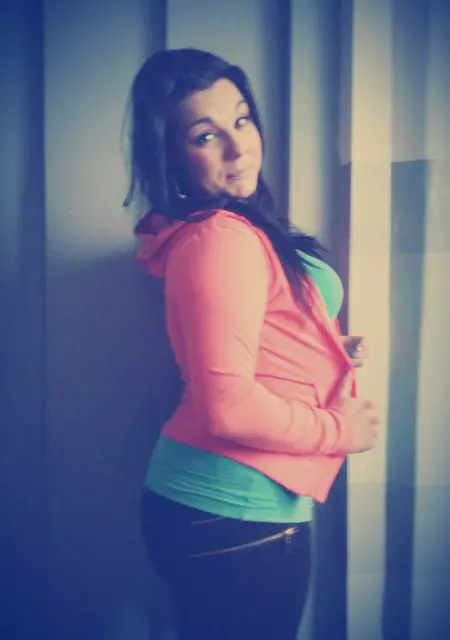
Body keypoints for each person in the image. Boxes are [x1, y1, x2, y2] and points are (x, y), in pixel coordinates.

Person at [123, 48, 379, 640]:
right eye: (206, 135)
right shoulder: (220, 239)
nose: (239, 148)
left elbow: (250, 336)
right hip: (230, 511)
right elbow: (229, 406)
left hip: (230, 513)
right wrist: (341, 431)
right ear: (170, 156)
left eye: (241, 120)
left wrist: (325, 348)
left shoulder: (234, 232)